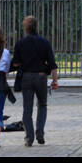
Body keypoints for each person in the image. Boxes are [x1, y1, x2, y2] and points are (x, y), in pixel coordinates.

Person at [10, 15, 58, 148]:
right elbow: (53, 64)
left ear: (25, 28)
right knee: (42, 105)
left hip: (26, 77)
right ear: (37, 27)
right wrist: (55, 81)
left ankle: (29, 138)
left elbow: (15, 63)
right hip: (41, 77)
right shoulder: (44, 42)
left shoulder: (20, 43)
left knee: (27, 109)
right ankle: (40, 133)